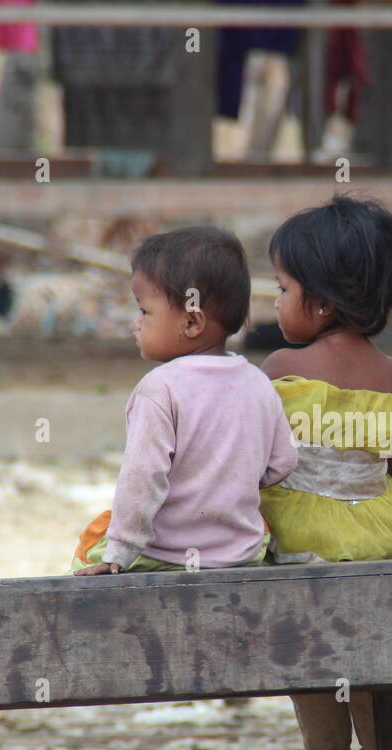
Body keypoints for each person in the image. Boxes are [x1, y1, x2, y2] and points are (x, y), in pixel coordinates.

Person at [259, 194, 392, 750]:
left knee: (310, 657)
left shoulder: (281, 368)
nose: (275, 304)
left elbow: (261, 461)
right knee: (379, 664)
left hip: (302, 543)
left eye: (282, 289)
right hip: (379, 534)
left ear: (322, 300)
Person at [71, 226, 296, 576]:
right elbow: (283, 461)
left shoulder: (160, 388)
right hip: (242, 554)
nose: (136, 323)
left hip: (165, 556)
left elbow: (142, 477)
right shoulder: (258, 382)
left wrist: (118, 553)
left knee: (86, 554)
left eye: (144, 312)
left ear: (191, 322)